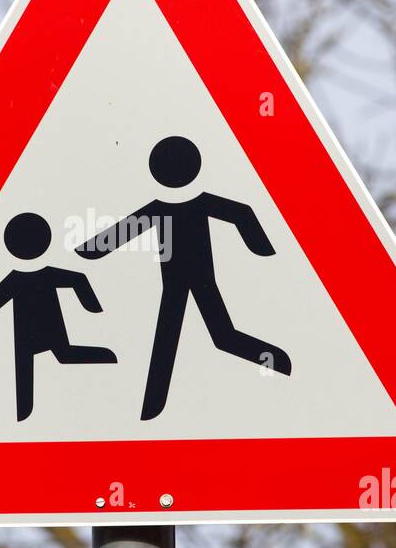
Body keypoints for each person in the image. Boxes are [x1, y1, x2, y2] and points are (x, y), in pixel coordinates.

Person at [77, 136, 291, 420]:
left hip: (199, 280)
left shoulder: (169, 208)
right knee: (192, 337)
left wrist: (264, 249)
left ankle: (277, 360)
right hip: (179, 284)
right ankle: (151, 408)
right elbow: (241, 213)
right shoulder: (164, 209)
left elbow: (241, 214)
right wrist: (87, 250)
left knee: (212, 337)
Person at [0, 212, 116, 421]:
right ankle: (23, 416)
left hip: (34, 330)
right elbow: (78, 280)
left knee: (50, 360)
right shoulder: (35, 276)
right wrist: (91, 306)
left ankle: (108, 357)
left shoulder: (16, 280)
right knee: (53, 359)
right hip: (35, 331)